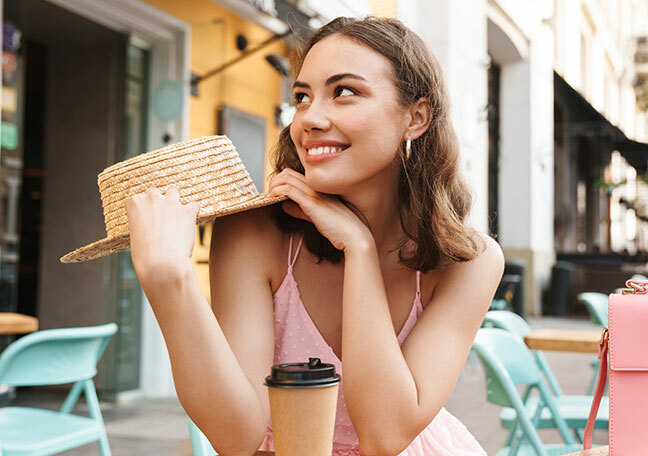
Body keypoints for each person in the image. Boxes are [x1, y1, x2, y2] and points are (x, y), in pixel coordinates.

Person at [124, 17, 504, 456]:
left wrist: (358, 249)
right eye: (302, 97)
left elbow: (385, 436)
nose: (310, 119)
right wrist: (171, 282)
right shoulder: (256, 233)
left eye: (344, 92)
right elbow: (236, 438)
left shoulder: (468, 262)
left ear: (415, 117)